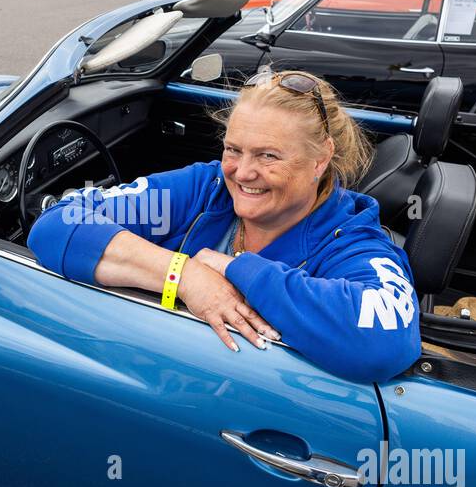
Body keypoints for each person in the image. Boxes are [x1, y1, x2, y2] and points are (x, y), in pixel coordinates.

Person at [27, 70, 421, 382]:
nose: (242, 172)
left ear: (320, 161)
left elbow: (383, 341)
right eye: (234, 149)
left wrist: (238, 270)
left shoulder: (350, 240)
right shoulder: (207, 189)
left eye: (268, 156)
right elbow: (57, 224)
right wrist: (186, 276)